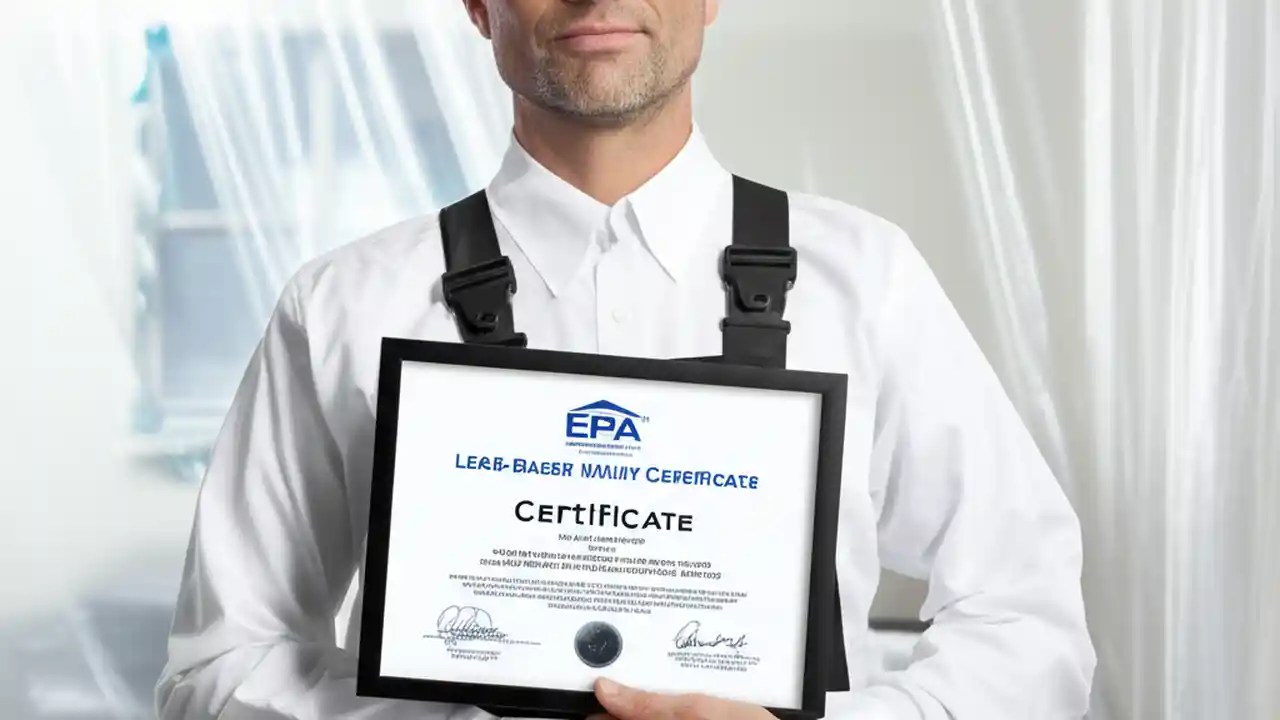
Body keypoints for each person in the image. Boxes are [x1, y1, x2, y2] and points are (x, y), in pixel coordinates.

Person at [155, 0, 1096, 718]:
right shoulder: (338, 308)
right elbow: (217, 665)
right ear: (477, 4)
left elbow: (1031, 618)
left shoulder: (866, 280)